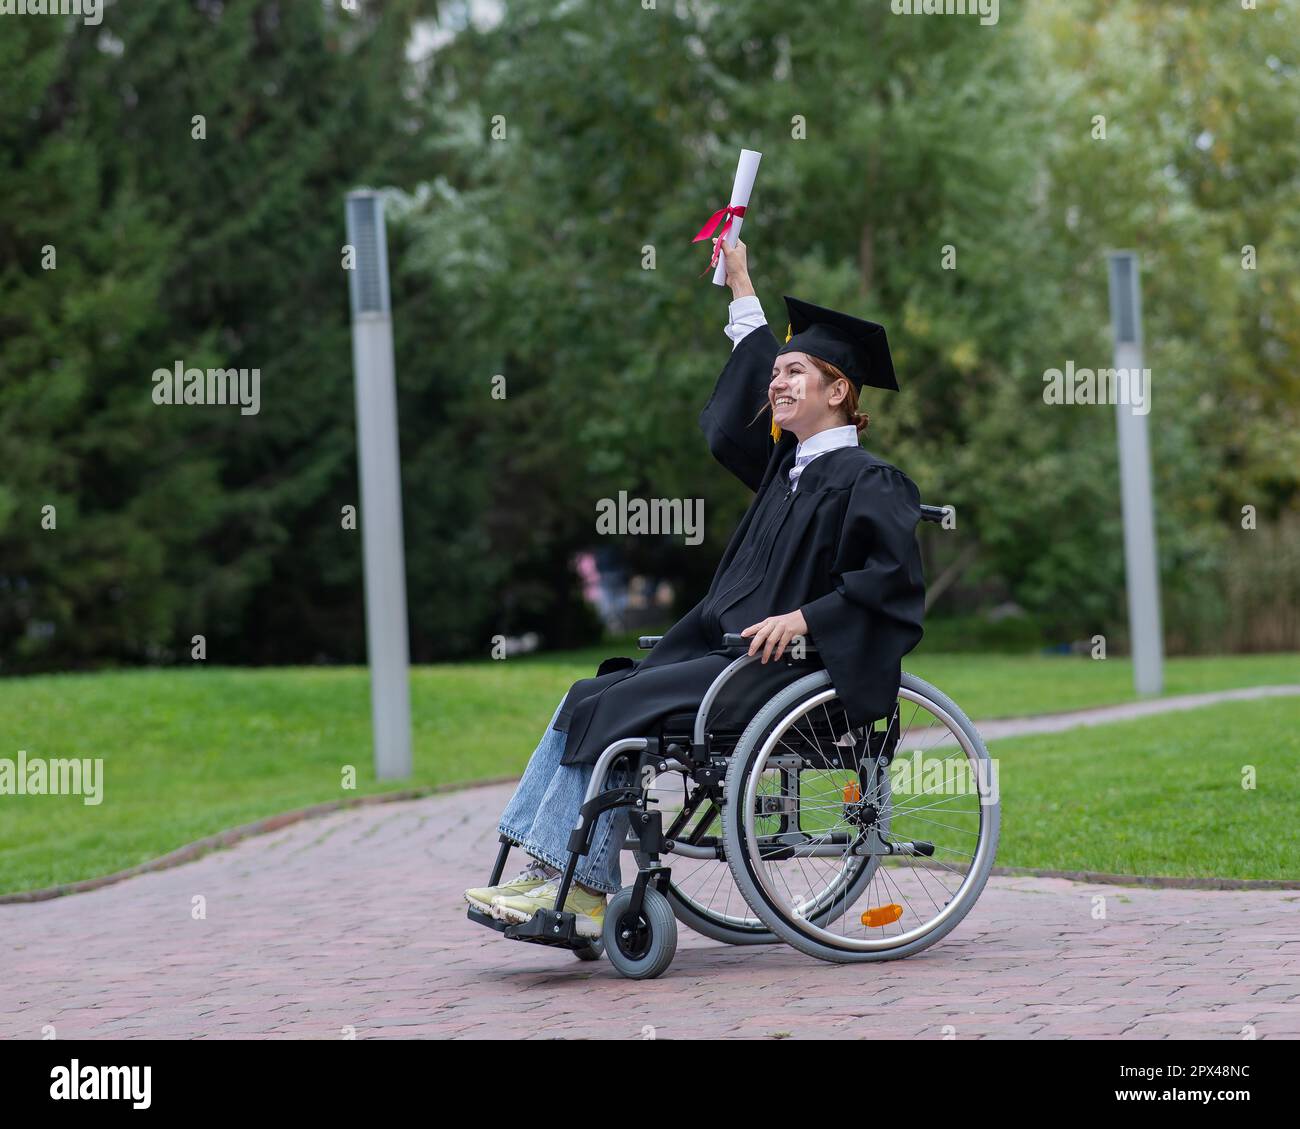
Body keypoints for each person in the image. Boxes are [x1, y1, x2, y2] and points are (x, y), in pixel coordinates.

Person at [464, 240, 927, 939]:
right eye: (776, 374)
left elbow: (890, 581)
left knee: (618, 702)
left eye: (795, 372)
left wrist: (803, 617)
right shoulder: (787, 471)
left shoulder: (870, 481)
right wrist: (740, 283)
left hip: (779, 670)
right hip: (722, 653)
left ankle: (581, 886)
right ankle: (543, 871)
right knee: (589, 692)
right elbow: (747, 385)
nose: (776, 383)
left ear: (838, 391)